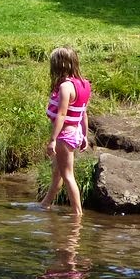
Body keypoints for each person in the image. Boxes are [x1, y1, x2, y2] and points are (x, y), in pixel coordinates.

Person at [43, 46, 89, 216]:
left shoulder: (65, 87)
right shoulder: (84, 84)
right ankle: (45, 204)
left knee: (68, 175)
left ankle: (78, 214)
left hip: (65, 136)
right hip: (75, 132)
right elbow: (83, 112)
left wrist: (53, 139)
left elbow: (61, 114)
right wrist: (84, 135)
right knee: (58, 172)